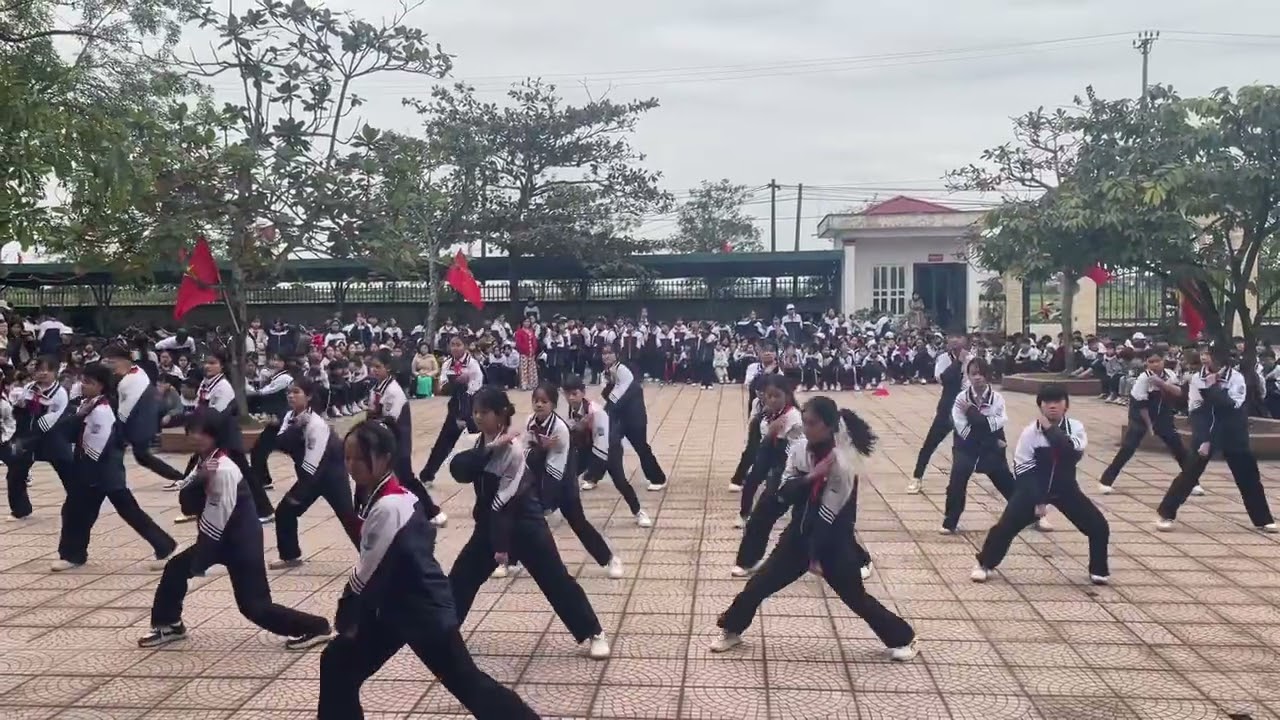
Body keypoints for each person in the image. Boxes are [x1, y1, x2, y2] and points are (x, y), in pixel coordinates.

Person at [316, 419, 540, 719]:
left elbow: (364, 573)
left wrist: (346, 614)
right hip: (392, 607)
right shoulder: (386, 494)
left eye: (360, 458)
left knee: (468, 684)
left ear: (384, 458)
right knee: (337, 664)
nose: (351, 465)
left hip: (422, 611)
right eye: (347, 457)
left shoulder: (390, 505)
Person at [711, 397, 916, 660]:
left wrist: (815, 557)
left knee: (856, 598)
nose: (806, 428)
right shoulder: (798, 450)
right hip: (798, 535)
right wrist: (812, 476)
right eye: (805, 422)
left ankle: (904, 638)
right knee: (759, 584)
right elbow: (783, 493)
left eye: (812, 423)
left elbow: (829, 513)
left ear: (828, 426)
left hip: (834, 541)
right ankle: (731, 630)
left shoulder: (843, 463)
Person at [139, 409, 333, 649]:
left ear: (216, 435)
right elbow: (187, 499)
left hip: (241, 542)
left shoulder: (224, 469)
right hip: (221, 538)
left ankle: (316, 627)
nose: (196, 437)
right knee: (176, 569)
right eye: (193, 431)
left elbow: (216, 518)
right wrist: (198, 480)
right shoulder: (205, 460)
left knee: (254, 606)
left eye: (203, 433)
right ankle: (169, 624)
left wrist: (201, 558)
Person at [446, 386, 611, 659]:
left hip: (524, 522)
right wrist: (488, 449)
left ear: (501, 414)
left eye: (484, 412)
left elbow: (506, 499)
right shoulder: (475, 441)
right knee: (462, 577)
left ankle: (594, 632)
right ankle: (445, 633)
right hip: (490, 524)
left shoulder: (513, 448)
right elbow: (458, 470)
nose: (478, 417)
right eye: (475, 412)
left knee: (555, 580)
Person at [971, 383, 1111, 584]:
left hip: (1065, 488)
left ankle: (1098, 570)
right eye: (1047, 402)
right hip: (1033, 488)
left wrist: (1049, 429)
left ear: (1066, 405)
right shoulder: (1030, 432)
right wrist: (1038, 499)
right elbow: (1022, 468)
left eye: (1057, 401)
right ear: (1040, 406)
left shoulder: (1075, 428)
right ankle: (984, 563)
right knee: (1005, 527)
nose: (1052, 406)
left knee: (1098, 526)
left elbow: (1070, 451)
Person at [52, 363, 179, 572]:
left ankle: (165, 547)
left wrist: (87, 474)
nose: (83, 385)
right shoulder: (88, 405)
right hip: (95, 472)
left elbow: (99, 447)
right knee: (77, 511)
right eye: (83, 380)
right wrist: (78, 415)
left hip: (103, 473)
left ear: (101, 386)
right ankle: (73, 554)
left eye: (89, 382)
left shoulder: (103, 410)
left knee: (121, 511)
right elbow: (66, 433)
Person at [511, 381, 622, 580]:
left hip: (563, 482)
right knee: (523, 520)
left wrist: (547, 502)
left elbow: (555, 467)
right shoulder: (530, 421)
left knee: (578, 523)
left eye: (544, 401)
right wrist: (540, 449)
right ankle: (510, 561)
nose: (539, 405)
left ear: (553, 404)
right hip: (539, 479)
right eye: (536, 401)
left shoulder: (559, 428)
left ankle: (609, 559)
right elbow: (524, 452)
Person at [1156, 350, 1277, 533]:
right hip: (1206, 430)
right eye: (1204, 353)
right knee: (1189, 474)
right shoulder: (1197, 378)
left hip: (1233, 431)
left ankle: (1262, 519)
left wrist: (1213, 388)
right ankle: (1166, 513)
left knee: (1248, 476)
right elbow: (1197, 410)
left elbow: (1232, 405)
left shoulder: (1236, 378)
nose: (1205, 358)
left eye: (1210, 355)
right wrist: (1205, 439)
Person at [173, 351, 275, 525]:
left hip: (225, 438)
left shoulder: (223, 387)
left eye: (213, 363)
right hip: (210, 437)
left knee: (245, 473)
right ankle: (191, 507)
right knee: (195, 471)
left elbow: (215, 417)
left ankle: (265, 510)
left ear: (221, 366)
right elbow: (200, 408)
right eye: (206, 362)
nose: (208, 366)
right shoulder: (205, 384)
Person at [268, 379, 361, 569]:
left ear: (308, 396)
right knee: (285, 512)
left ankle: (375, 559)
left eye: (296, 392)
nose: (291, 396)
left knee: (348, 518)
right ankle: (290, 556)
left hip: (331, 476)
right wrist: (296, 427)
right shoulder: (291, 417)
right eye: (289, 392)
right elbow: (279, 443)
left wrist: (299, 494)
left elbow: (313, 464)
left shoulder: (316, 424)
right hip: (310, 475)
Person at [560, 374, 651, 529]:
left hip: (610, 446)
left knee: (620, 481)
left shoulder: (595, 411)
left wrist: (594, 469)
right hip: (588, 445)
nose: (571, 398)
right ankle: (562, 509)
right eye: (567, 394)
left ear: (583, 392)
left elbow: (601, 443)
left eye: (574, 394)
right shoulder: (571, 410)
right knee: (567, 475)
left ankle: (639, 512)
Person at [367, 350, 446, 527]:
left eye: (378, 367)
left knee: (406, 478)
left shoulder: (393, 391)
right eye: (372, 367)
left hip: (398, 441)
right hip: (382, 440)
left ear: (388, 368)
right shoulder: (376, 389)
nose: (374, 370)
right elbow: (372, 413)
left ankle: (432, 511)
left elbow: (389, 421)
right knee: (381, 479)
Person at [940, 358, 1016, 534]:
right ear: (968, 376)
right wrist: (987, 433)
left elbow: (998, 422)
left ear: (988, 376)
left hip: (991, 444)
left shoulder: (997, 398)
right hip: (967, 444)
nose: (977, 377)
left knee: (1003, 478)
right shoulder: (961, 398)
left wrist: (972, 413)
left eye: (982, 374)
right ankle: (950, 521)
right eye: (973, 374)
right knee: (957, 479)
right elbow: (961, 426)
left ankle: (1030, 512)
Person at [1100, 349, 1190, 494]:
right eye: (1151, 362)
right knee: (1128, 448)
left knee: (1178, 447)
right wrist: (1149, 427)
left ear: (1163, 361)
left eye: (1157, 361)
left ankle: (1192, 481)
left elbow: (1179, 393)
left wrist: (1162, 384)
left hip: (1163, 416)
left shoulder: (1170, 375)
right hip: (1140, 417)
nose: (1155, 365)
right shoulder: (1143, 379)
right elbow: (1141, 406)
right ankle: (1106, 481)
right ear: (1146, 363)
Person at [102, 345, 185, 483]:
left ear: (124, 361)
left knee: (129, 451)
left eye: (112, 362)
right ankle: (180, 477)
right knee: (140, 456)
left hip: (143, 418)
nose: (110, 366)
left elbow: (124, 412)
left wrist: (118, 430)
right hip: (144, 414)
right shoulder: (137, 370)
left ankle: (181, 478)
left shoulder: (129, 382)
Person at [6, 356, 74, 520]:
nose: (43, 373)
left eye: (48, 370)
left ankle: (79, 503)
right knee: (16, 472)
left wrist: (30, 435)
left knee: (68, 471)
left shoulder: (60, 393)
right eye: (40, 370)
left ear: (55, 372)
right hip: (28, 435)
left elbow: (52, 418)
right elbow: (20, 408)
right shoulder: (29, 387)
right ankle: (20, 509)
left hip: (52, 436)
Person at [601, 344, 668, 492]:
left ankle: (658, 479)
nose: (606, 356)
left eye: (609, 353)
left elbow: (621, 395)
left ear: (616, 354)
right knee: (607, 444)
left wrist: (607, 408)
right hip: (619, 416)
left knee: (641, 447)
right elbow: (607, 396)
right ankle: (592, 476)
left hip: (634, 416)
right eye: (604, 353)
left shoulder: (624, 370)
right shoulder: (606, 373)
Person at [418, 336, 483, 487]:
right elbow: (442, 386)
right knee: (444, 442)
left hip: (473, 406)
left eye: (458, 344)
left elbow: (477, 386)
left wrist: (466, 382)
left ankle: (488, 474)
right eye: (452, 345)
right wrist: (452, 383)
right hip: (455, 406)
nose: (455, 348)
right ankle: (427, 475)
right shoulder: (448, 363)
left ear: (465, 346)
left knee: (484, 441)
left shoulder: (472, 364)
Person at [909, 337, 968, 494]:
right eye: (952, 341)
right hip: (946, 409)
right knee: (929, 444)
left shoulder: (971, 360)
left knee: (962, 450)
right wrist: (958, 363)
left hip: (965, 411)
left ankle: (957, 484)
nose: (955, 344)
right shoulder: (943, 359)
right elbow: (943, 379)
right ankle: (917, 477)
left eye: (959, 341)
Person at [729, 348, 782, 492]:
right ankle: (739, 478)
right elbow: (749, 384)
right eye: (765, 351)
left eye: (771, 351)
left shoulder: (780, 371)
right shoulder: (753, 367)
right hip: (759, 412)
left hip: (778, 414)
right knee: (752, 446)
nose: (768, 354)